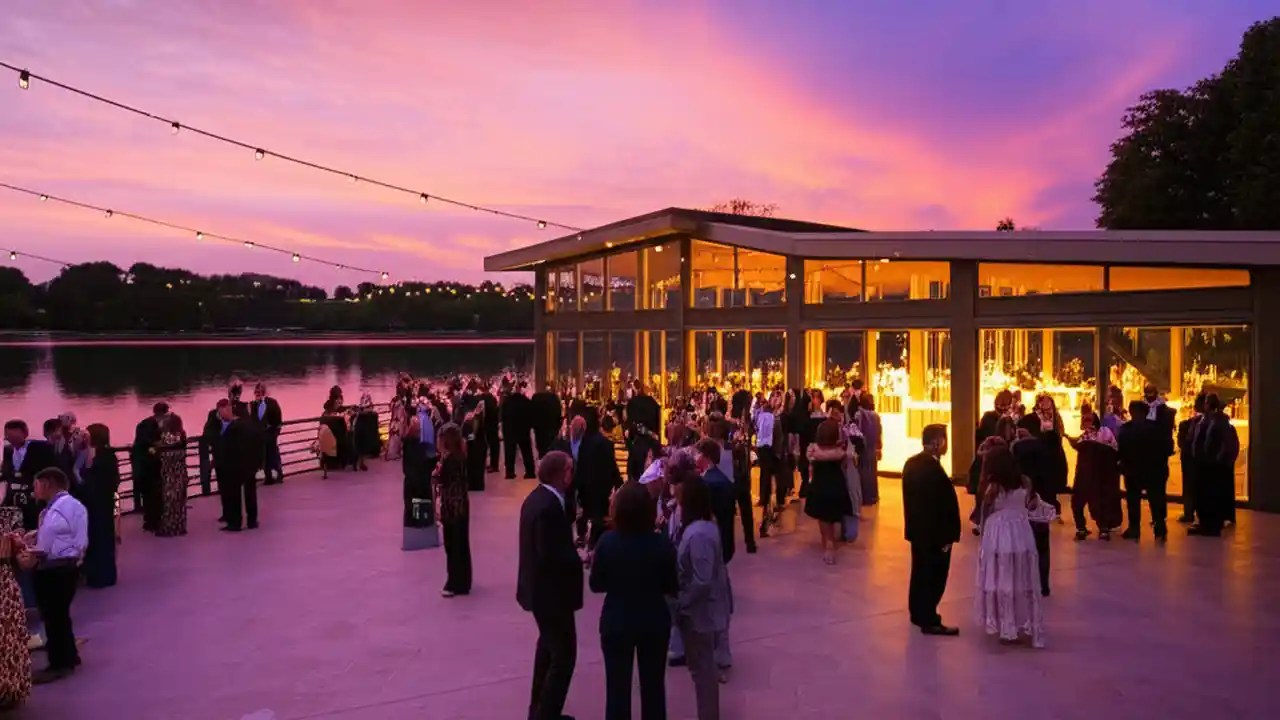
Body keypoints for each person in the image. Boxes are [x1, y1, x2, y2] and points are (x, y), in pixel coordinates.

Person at [590, 482, 677, 720]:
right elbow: (671, 585)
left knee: (617, 690)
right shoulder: (661, 544)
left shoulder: (607, 542)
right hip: (653, 619)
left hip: (617, 619)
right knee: (654, 688)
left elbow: (596, 584)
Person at [517, 451, 583, 720]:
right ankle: (547, 713)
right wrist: (578, 558)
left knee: (548, 649)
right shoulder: (547, 508)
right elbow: (550, 554)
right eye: (570, 470)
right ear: (561, 474)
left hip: (542, 593)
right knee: (564, 657)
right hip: (551, 596)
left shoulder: (539, 499)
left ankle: (539, 711)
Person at [973, 445, 1054, 648]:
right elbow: (1031, 504)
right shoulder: (1024, 481)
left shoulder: (991, 486)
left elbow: (985, 513)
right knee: (1022, 576)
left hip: (998, 533)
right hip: (1021, 531)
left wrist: (983, 540)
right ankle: (1025, 623)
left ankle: (1006, 626)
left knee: (1002, 578)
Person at [17, 468, 88, 684]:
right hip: (70, 566)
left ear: (47, 484)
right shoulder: (74, 505)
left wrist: (27, 553)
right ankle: (69, 654)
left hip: (55, 568)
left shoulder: (56, 511)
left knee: (53, 617)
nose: (34, 490)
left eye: (36, 485)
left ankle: (59, 664)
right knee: (61, 614)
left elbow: (46, 544)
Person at [674, 473, 730, 719]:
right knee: (702, 670)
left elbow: (702, 580)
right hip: (701, 612)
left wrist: (682, 603)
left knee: (703, 672)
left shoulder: (698, 535)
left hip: (700, 614)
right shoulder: (706, 527)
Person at [902, 424, 960, 636]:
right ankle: (929, 618)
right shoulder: (932, 469)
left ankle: (918, 612)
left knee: (919, 573)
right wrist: (947, 536)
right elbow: (938, 506)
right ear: (938, 442)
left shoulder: (912, 464)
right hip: (935, 535)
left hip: (918, 531)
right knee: (933, 576)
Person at [1011, 416, 1053, 595]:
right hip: (1042, 501)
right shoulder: (1046, 446)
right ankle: (1044, 585)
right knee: (1043, 546)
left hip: (1023, 501)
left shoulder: (1018, 448)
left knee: (1024, 545)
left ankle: (1026, 583)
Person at [1117, 400, 1169, 542]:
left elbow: (1120, 449)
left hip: (1133, 470)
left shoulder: (1126, 429)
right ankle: (1160, 528)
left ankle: (1134, 529)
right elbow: (1166, 449)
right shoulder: (1156, 428)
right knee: (1156, 500)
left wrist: (1121, 465)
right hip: (1154, 470)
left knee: (1133, 500)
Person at [1188, 393, 1239, 537]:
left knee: (1211, 495)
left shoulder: (1218, 422)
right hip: (1203, 464)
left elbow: (1222, 443)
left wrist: (1218, 459)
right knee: (1203, 495)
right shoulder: (1205, 420)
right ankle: (1205, 522)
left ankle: (1211, 525)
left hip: (1212, 466)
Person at [804, 419, 854, 565]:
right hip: (836, 485)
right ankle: (831, 542)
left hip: (819, 486)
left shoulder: (813, 450)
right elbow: (846, 458)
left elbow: (811, 457)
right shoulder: (840, 451)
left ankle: (828, 543)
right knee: (832, 516)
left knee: (823, 517)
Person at [1068, 406, 1121, 541]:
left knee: (1100, 502)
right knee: (1078, 501)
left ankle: (1103, 528)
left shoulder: (1105, 432)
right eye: (1084, 420)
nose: (1086, 422)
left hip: (1100, 475)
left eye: (1088, 420)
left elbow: (1112, 449)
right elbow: (1079, 446)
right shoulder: (1085, 435)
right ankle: (1081, 528)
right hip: (1084, 474)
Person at [211, 400, 263, 532]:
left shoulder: (232, 429)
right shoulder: (251, 426)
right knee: (250, 493)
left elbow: (226, 449)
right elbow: (259, 444)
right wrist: (258, 462)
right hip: (250, 465)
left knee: (233, 495)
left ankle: (235, 523)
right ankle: (252, 521)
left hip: (234, 467)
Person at [79, 424, 121, 588]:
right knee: (104, 537)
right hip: (103, 501)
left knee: (98, 537)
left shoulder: (101, 456)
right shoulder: (109, 455)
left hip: (97, 501)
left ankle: (99, 575)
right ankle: (104, 574)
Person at [433, 423, 471, 597]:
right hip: (461, 504)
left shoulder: (449, 461)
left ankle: (454, 581)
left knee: (452, 545)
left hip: (451, 506)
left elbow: (442, 481)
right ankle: (464, 580)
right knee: (461, 543)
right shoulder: (461, 456)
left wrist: (436, 475)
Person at [0, 509, 31, 710]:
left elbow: (24, 559)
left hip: (5, 586)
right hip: (5, 585)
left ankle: (8, 689)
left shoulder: (8, 515)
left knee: (8, 636)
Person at [2, 420, 56, 532]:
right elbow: (6, 472)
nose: (11, 440)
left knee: (33, 528)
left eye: (15, 437)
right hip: (13, 499)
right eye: (9, 436)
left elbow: (49, 470)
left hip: (33, 498)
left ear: (25, 433)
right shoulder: (7, 450)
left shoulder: (40, 448)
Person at [969, 390, 1013, 494]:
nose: (1004, 407)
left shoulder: (1008, 419)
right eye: (1002, 404)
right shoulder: (989, 417)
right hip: (990, 453)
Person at [1176, 393, 1207, 524]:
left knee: (1189, 486)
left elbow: (1182, 443)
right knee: (1201, 487)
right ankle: (1200, 513)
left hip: (1191, 460)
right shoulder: (1208, 423)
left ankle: (1189, 513)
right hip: (1200, 460)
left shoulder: (1187, 424)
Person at [156, 414, 189, 538]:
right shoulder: (182, 435)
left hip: (169, 473)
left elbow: (158, 450)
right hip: (180, 472)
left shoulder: (166, 437)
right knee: (180, 501)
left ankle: (169, 528)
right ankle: (180, 526)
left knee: (169, 501)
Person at [251, 383, 285, 485]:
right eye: (256, 392)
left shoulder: (272, 403)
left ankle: (279, 475)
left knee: (273, 455)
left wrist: (275, 432)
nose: (257, 394)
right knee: (264, 457)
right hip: (260, 436)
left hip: (271, 434)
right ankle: (268, 478)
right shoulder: (253, 405)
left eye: (259, 392)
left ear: (264, 392)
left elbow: (278, 419)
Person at [502, 382, 537, 480]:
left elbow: (503, 416)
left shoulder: (507, 402)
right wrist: (529, 426)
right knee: (526, 451)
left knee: (510, 452)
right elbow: (531, 415)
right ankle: (530, 472)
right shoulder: (526, 401)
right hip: (523, 429)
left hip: (510, 430)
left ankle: (510, 472)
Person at [531, 384, 563, 459]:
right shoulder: (554, 399)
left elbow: (532, 414)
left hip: (540, 431)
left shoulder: (536, 399)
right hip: (552, 429)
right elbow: (559, 415)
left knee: (542, 449)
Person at [480, 381, 501, 473]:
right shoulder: (492, 398)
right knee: (494, 445)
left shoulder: (482, 399)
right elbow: (496, 410)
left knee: (485, 446)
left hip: (486, 425)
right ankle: (494, 465)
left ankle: (485, 464)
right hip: (493, 424)